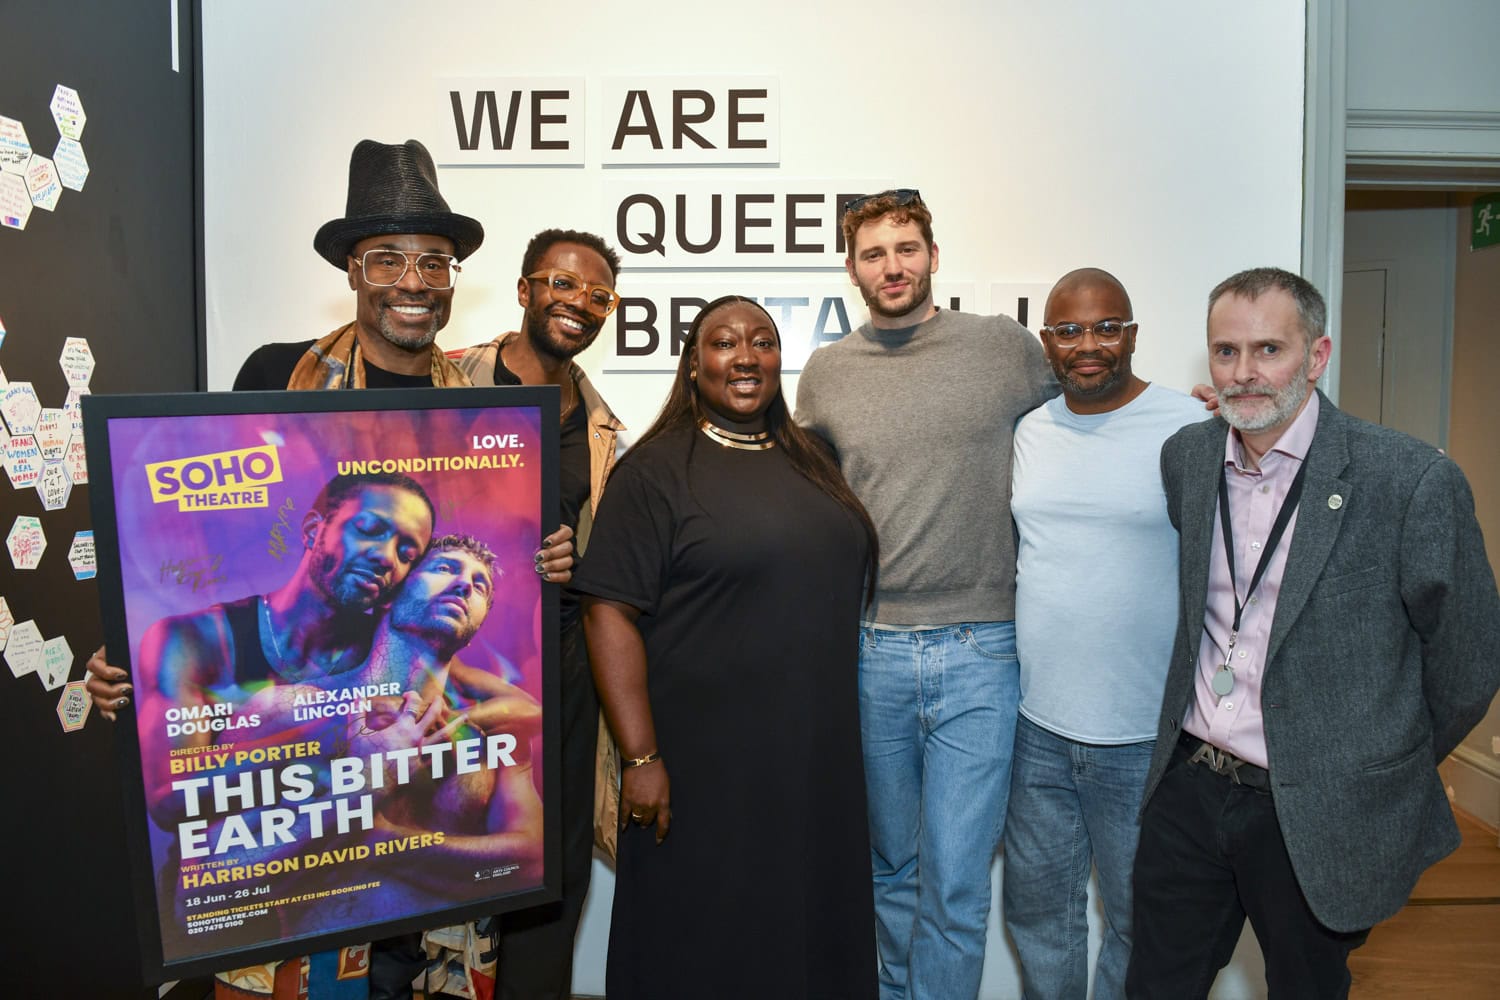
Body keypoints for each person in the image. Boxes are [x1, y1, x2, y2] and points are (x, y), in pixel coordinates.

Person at [83, 138, 572, 1000]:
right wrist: (122, 663)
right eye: (389, 259)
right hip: (294, 890)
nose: (415, 282)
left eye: (435, 261)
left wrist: (554, 560)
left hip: (423, 913)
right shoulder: (276, 376)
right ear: (353, 268)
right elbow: (179, 534)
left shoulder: (485, 400)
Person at [1127, 266, 1500, 998]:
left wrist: (1374, 760)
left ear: (1318, 355)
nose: (1245, 373)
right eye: (1226, 352)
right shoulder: (1189, 460)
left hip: (1313, 808)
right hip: (1191, 787)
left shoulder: (1409, 480)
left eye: (1269, 349)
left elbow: (1469, 661)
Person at [573, 295, 880, 999]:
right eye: (723, 343)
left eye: (762, 342)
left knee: (806, 929)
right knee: (705, 938)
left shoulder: (812, 458)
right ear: (693, 364)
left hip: (812, 758)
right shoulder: (654, 472)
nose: (745, 357)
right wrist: (641, 759)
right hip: (703, 763)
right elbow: (607, 614)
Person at [794, 188, 1057, 998]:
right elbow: (802, 498)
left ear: (934, 256)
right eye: (874, 253)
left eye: (906, 248)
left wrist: (1180, 413)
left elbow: (1090, 410)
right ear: (852, 269)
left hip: (983, 649)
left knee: (955, 881)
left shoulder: (1003, 349)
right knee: (891, 868)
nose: (892, 266)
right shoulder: (828, 373)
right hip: (872, 649)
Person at [1003, 268, 1206, 1000]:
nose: (1088, 345)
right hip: (1038, 731)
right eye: (1068, 330)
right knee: (1039, 915)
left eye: (1106, 327)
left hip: (1144, 737)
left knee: (1137, 919)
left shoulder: (1189, 425)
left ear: (1132, 334)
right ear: (1047, 343)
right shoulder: (1030, 431)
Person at [452, 228, 626, 1000]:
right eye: (562, 283)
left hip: (558, 680)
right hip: (455, 671)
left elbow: (605, 571)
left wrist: (575, 567)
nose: (578, 303)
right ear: (524, 291)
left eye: (597, 295)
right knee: (455, 862)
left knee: (551, 879)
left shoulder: (603, 430)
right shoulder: (446, 383)